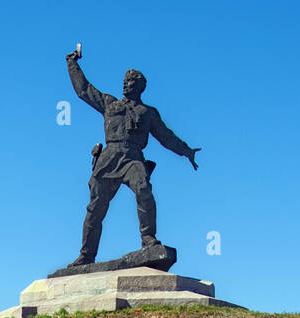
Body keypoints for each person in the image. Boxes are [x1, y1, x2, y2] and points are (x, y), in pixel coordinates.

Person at [66, 48, 201, 267]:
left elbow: (166, 137)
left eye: (130, 82)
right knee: (96, 206)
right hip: (109, 157)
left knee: (144, 189)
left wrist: (187, 151)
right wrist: (72, 63)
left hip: (133, 156)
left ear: (140, 87)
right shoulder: (110, 103)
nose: (125, 84)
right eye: (124, 81)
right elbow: (84, 90)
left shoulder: (148, 113)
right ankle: (87, 254)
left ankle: (148, 239)